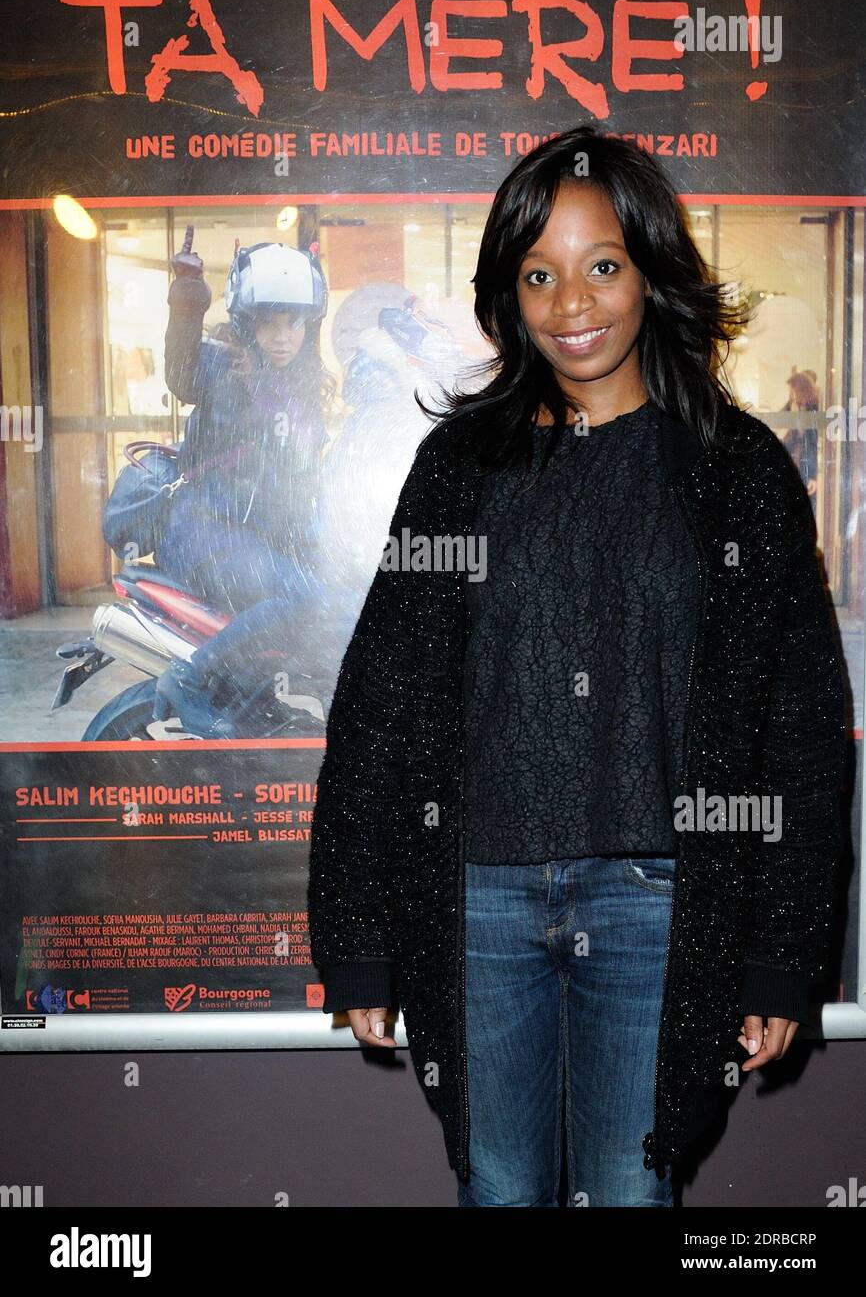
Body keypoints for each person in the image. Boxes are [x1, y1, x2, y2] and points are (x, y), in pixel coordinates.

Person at [306, 125, 848, 1207]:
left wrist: (783, 955)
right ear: (508, 292)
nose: (572, 303)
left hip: (660, 898)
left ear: (650, 267)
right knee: (499, 1190)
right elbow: (380, 702)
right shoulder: (457, 469)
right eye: (537, 273)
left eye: (601, 264)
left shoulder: (736, 474)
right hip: (477, 900)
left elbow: (797, 730)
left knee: (627, 1194)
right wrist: (359, 934)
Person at [153, 233, 341, 731]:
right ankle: (188, 680)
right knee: (302, 595)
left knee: (334, 591)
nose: (282, 336)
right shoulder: (221, 367)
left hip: (247, 534)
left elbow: (302, 484)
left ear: (309, 325)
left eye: (293, 322)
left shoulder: (301, 389)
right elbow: (179, 374)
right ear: (246, 324)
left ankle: (254, 697)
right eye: (267, 322)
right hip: (201, 531)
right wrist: (188, 297)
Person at [782, 370, 820, 514]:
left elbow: (811, 443)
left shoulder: (811, 411)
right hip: (803, 466)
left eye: (794, 392)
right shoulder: (802, 409)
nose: (793, 396)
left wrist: (811, 474)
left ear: (802, 391)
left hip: (806, 468)